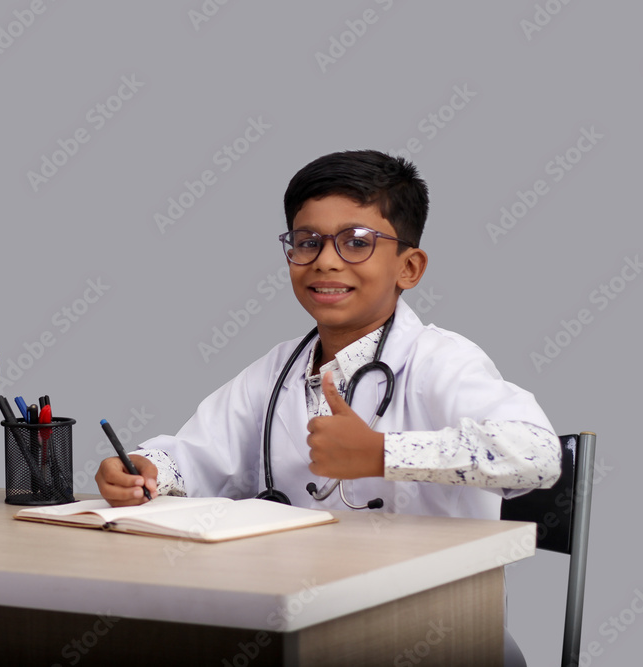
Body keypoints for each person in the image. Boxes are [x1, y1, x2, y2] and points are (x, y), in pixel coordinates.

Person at [95, 150, 558, 665]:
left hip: (434, 627)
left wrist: (383, 453)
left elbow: (538, 454)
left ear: (409, 266)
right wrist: (147, 469)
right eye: (306, 242)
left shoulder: (440, 361)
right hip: (303, 618)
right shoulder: (277, 370)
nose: (326, 261)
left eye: (357, 242)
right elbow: (198, 454)